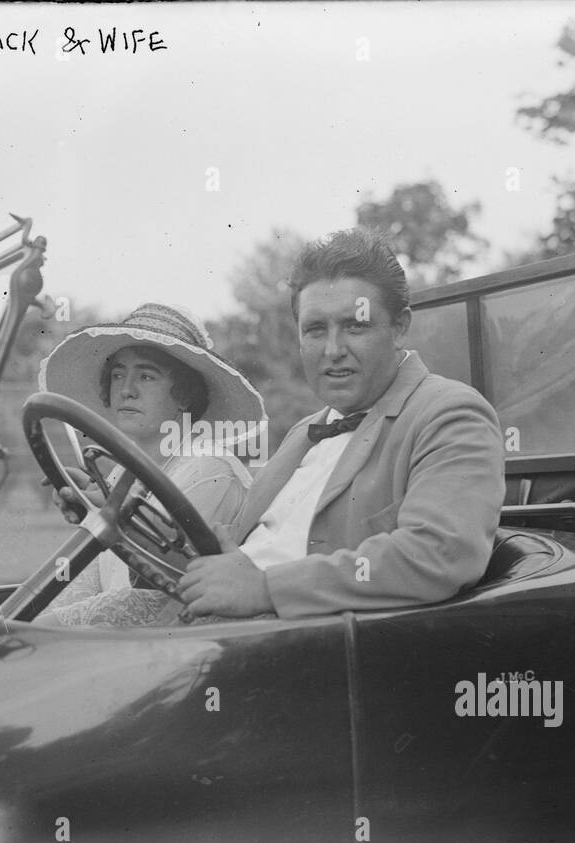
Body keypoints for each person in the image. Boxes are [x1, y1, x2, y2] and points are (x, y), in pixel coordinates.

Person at [174, 227, 505, 619]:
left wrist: (266, 588)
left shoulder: (449, 414)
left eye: (355, 326)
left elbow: (440, 553)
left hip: (302, 648)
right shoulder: (305, 431)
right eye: (316, 330)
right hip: (213, 625)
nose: (333, 351)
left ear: (399, 328)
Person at [36, 303, 266, 627]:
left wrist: (113, 511)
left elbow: (163, 593)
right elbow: (84, 585)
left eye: (146, 376)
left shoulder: (211, 471)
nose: (126, 390)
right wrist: (89, 508)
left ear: (184, 394)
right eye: (118, 375)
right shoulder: (121, 473)